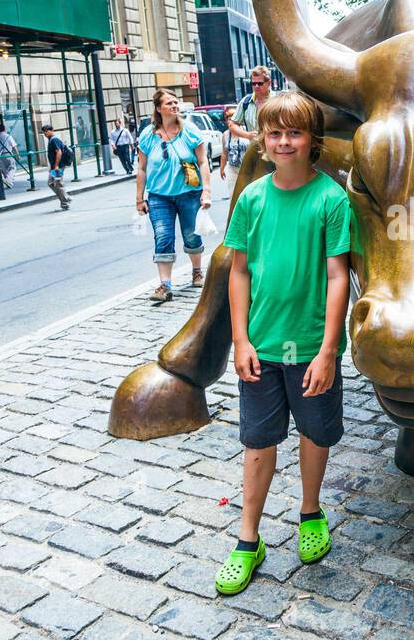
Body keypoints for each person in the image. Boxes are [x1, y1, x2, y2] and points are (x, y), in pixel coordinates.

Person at [215, 91, 352, 596]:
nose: (283, 141)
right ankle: (248, 540)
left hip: (311, 347)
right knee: (257, 440)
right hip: (262, 349)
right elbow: (240, 272)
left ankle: (310, 512)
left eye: (294, 132)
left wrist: (327, 350)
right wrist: (240, 338)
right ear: (263, 139)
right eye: (274, 133)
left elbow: (339, 277)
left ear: (312, 141)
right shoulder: (251, 198)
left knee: (315, 434)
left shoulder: (331, 200)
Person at [136, 89, 211, 302]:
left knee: (191, 235)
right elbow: (141, 168)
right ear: (159, 109)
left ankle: (197, 270)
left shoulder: (190, 131)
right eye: (169, 103)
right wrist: (139, 198)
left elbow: (203, 162)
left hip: (189, 194)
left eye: (176, 102)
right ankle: (165, 285)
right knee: (163, 237)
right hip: (159, 197)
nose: (174, 106)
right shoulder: (148, 135)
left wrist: (206, 191)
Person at [222, 65, 270, 196]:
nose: (256, 87)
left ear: (268, 83)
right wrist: (247, 134)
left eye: (260, 83)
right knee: (251, 190)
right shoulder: (246, 102)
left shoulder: (278, 100)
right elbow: (232, 124)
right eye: (253, 84)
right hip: (254, 151)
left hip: (276, 151)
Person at [42, 124, 72, 210]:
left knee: (58, 183)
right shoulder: (51, 140)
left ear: (52, 130)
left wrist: (56, 166)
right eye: (44, 131)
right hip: (55, 166)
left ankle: (65, 203)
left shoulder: (54, 140)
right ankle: (66, 198)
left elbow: (59, 152)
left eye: (47, 131)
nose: (45, 133)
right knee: (51, 183)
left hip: (58, 166)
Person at [0, 122, 19, 189]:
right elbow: (14, 146)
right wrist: (17, 155)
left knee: (4, 170)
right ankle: (8, 180)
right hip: (8, 154)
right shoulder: (8, 136)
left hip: (0, 155)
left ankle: (8, 183)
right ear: (4, 129)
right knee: (12, 168)